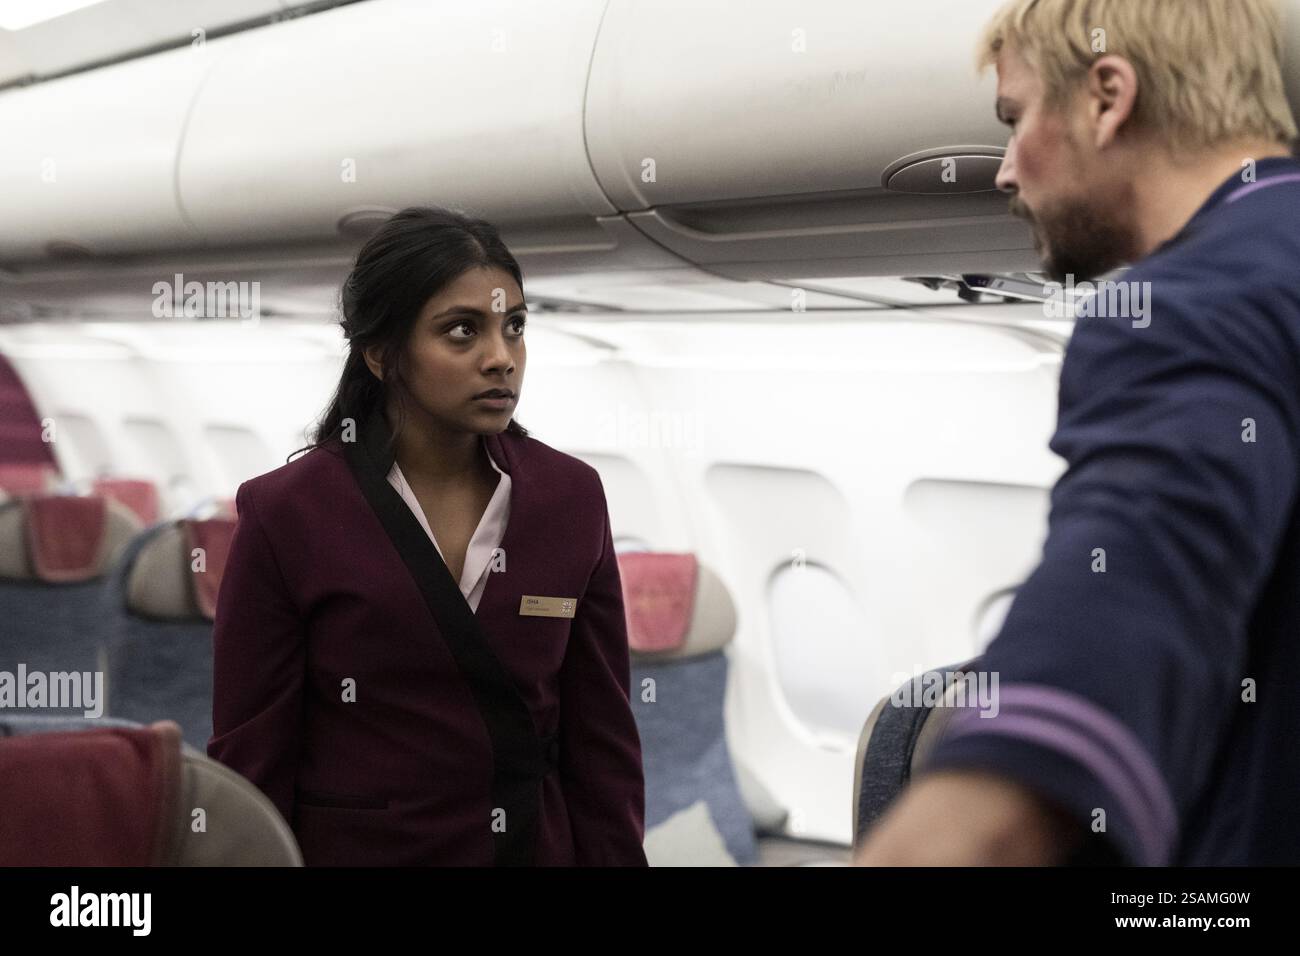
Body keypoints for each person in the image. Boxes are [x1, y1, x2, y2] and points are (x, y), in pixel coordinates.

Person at [857, 0, 1300, 865]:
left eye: (1015, 119)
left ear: (1107, 96)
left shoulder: (1188, 307)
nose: (1004, 171)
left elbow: (1123, 619)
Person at [208, 207, 647, 866]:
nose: (501, 359)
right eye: (462, 331)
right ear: (383, 354)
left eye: (515, 327)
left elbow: (603, 742)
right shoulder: (289, 514)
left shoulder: (570, 498)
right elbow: (253, 761)